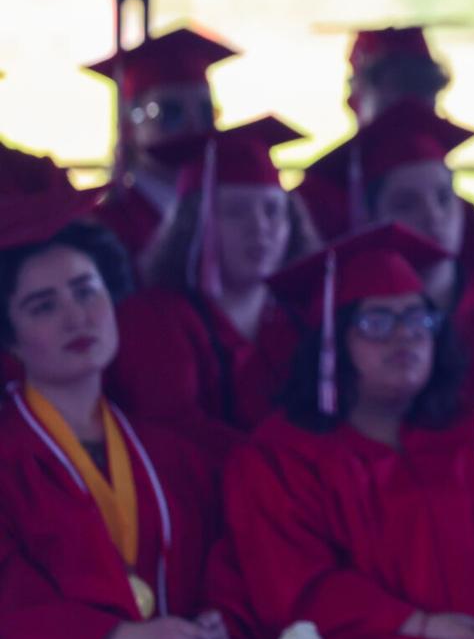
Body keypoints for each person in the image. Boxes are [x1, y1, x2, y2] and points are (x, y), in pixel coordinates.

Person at [221, 224, 474, 639]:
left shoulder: (469, 438)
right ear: (329, 344)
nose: (404, 336)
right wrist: (418, 625)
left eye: (416, 318)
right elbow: (294, 587)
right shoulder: (279, 458)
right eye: (376, 322)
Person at [0, 184, 228, 639]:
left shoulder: (173, 454)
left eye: (87, 292)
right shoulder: (8, 457)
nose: (76, 318)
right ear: (12, 340)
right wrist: (114, 636)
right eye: (44, 306)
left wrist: (217, 622)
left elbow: (219, 567)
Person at [108, 117, 318, 436]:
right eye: (235, 211)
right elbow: (174, 437)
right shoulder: (153, 321)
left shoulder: (303, 321)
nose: (259, 227)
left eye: (273, 210)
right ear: (195, 225)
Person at [306, 100, 474, 410]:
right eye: (407, 204)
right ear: (369, 217)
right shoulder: (344, 323)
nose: (434, 217)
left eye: (444, 198)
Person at [298, 24, 474, 283]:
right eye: (396, 95)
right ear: (357, 98)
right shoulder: (318, 200)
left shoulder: (454, 210)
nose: (409, 112)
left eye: (421, 93)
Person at [85, 27, 239, 261]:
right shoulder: (106, 226)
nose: (194, 126)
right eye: (171, 113)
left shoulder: (233, 213)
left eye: (206, 112)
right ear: (130, 124)